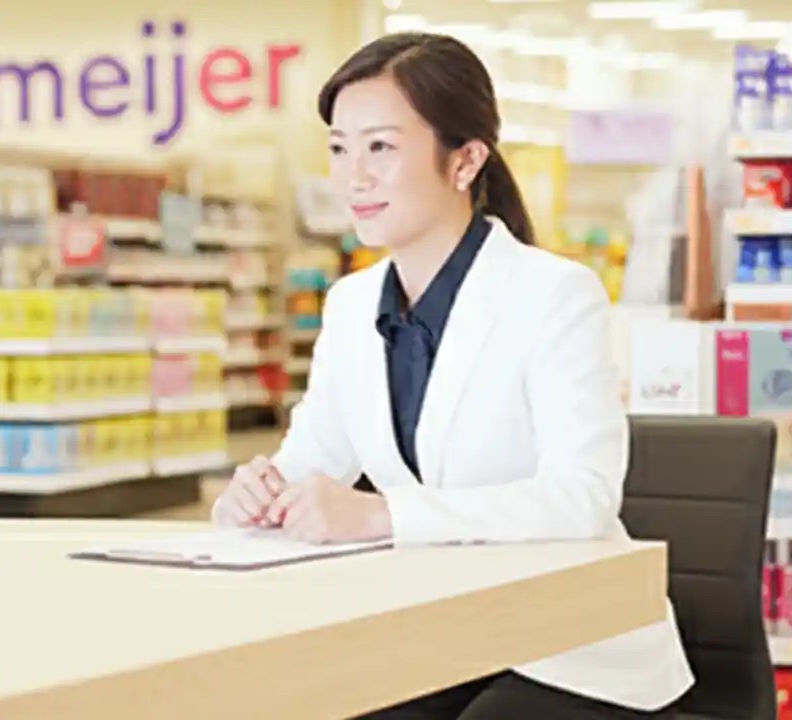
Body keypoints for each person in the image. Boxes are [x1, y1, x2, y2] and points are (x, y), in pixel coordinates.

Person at [212, 32, 694, 720]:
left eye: (380, 146)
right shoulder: (350, 306)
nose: (354, 176)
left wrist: (382, 515)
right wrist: (258, 498)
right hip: (435, 632)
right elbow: (312, 462)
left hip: (566, 642)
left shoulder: (554, 293)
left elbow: (580, 496)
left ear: (465, 160)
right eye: (340, 148)